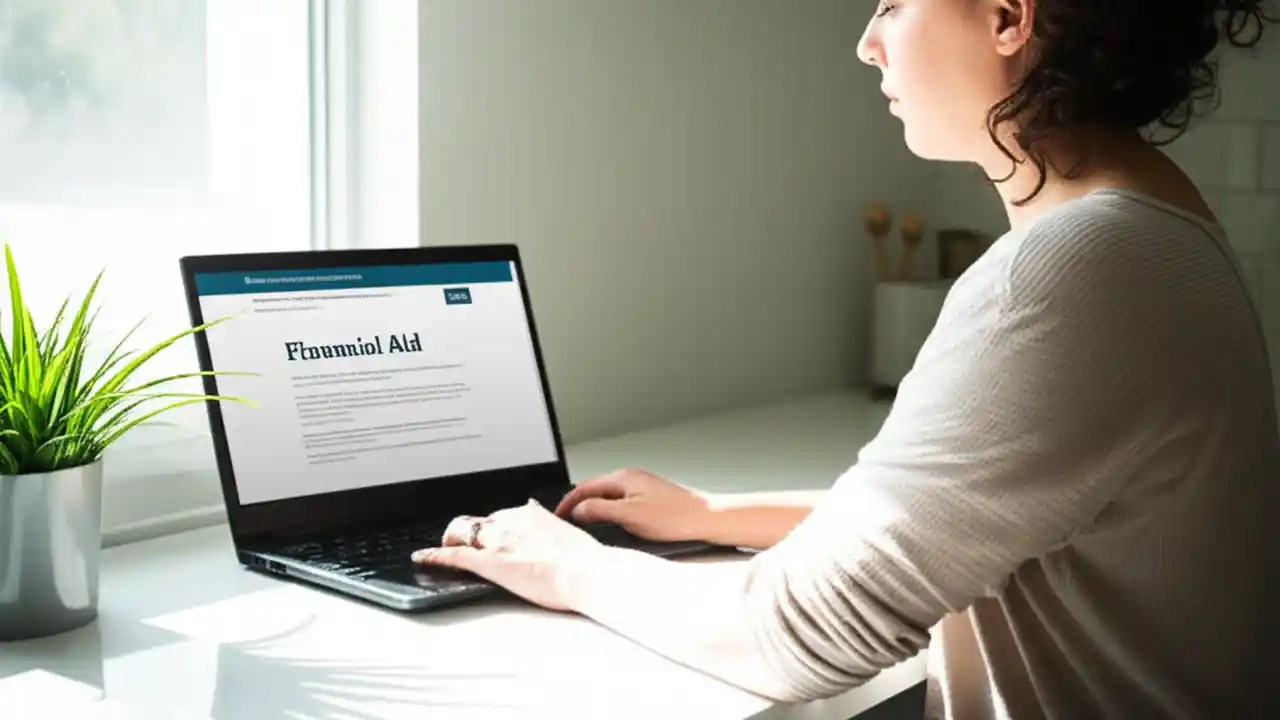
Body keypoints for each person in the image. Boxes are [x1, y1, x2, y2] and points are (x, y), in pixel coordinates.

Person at [411, 1, 1280, 717]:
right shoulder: (1161, 228)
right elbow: (973, 512)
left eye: (894, 5)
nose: (866, 43)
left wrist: (566, 562)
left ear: (1011, 17)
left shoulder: (1071, 268)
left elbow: (798, 638)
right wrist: (716, 512)